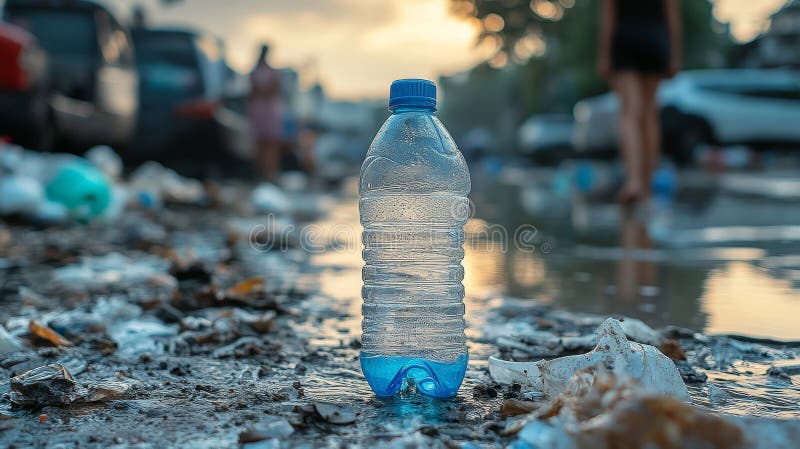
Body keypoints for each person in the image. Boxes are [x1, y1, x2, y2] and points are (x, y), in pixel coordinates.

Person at [597, 0, 681, 204]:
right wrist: (674, 55)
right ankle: (647, 184)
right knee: (650, 115)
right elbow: (673, 17)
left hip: (625, 38)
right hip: (655, 38)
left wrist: (605, 55)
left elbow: (608, 18)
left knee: (629, 113)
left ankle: (633, 181)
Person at [248, 44, 284, 181]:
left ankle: (269, 174)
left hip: (267, 109)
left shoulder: (264, 72)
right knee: (261, 144)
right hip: (261, 109)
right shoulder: (259, 72)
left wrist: (261, 90)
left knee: (269, 144)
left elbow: (271, 89)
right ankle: (263, 174)